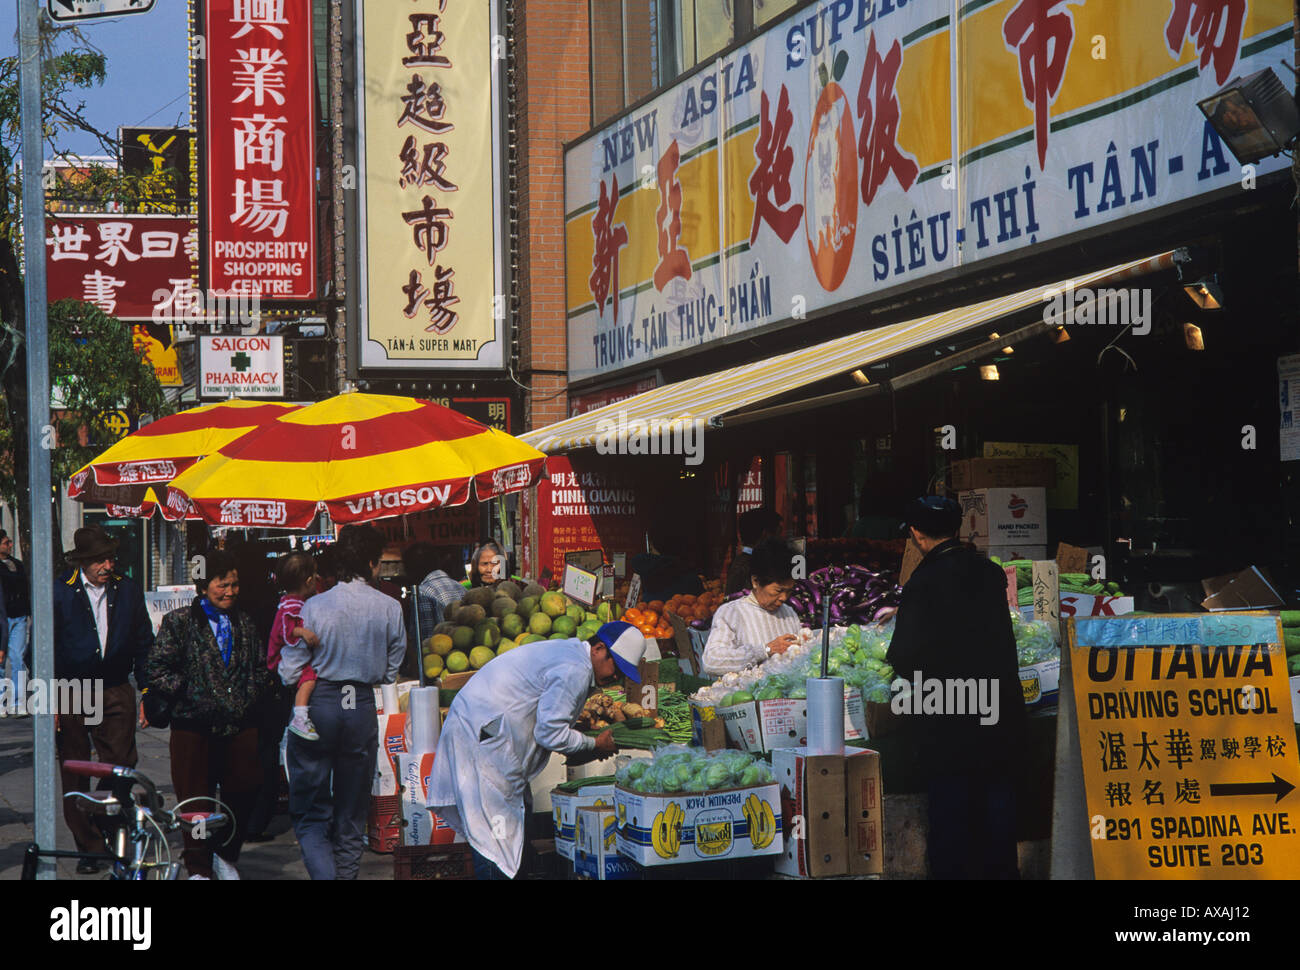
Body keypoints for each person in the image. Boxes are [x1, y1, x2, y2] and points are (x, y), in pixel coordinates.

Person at [428, 621, 646, 879]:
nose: (615, 677)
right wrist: (593, 744)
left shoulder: (572, 656)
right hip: (484, 742)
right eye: (616, 668)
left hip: (487, 736)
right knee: (495, 842)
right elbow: (549, 733)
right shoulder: (575, 669)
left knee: (513, 827)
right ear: (599, 649)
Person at [885, 495, 1027, 880]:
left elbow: (904, 656)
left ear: (916, 534)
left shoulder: (923, 582)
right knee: (997, 801)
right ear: (958, 528)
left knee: (951, 806)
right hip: (998, 707)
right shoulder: (990, 573)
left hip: (948, 713)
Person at [279, 524, 405, 881]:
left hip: (319, 704)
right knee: (352, 811)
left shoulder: (314, 606)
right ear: (370, 563)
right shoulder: (389, 607)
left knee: (309, 812)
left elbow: (289, 673)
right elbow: (391, 671)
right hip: (361, 707)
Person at [145, 548, 272, 880]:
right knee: (195, 800)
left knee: (243, 790)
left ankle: (225, 854)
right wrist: (191, 691)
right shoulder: (180, 622)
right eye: (222, 584)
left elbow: (260, 669)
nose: (230, 591)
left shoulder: (244, 622)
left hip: (239, 725)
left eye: (234, 584)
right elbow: (157, 669)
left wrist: (248, 694)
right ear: (204, 585)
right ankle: (198, 866)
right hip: (192, 727)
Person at [52, 525, 152, 875]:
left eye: (110, 557)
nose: (107, 565)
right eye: (99, 560)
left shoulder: (126, 589)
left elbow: (144, 642)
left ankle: (111, 830)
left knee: (121, 763)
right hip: (73, 688)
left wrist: (146, 691)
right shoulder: (61, 592)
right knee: (75, 767)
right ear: (83, 562)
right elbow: (45, 650)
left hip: (114, 686)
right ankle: (90, 847)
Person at [247, 552, 320, 841]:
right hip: (282, 669)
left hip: (277, 671)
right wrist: (303, 632)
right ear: (308, 579)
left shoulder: (291, 601)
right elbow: (287, 632)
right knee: (309, 677)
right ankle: (300, 716)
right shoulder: (292, 605)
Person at [702, 537, 802, 675]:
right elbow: (711, 661)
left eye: (789, 591)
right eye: (778, 591)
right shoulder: (731, 613)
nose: (784, 598)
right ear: (755, 581)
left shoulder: (789, 614)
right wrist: (765, 650)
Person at [403, 542, 467, 643]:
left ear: (412, 569)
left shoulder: (422, 593)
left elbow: (425, 639)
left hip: (441, 654)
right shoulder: (460, 586)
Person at [629, 525, 703, 603]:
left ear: (652, 546)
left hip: (646, 613)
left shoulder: (644, 570)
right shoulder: (693, 578)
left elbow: (630, 605)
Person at [724, 508, 781, 595]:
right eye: (779, 533)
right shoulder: (750, 566)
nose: (781, 539)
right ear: (765, 534)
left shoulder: (743, 562)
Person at [0, 529, 30, 686]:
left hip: (18, 615)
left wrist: (27, 611)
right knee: (1, 660)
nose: (10, 545)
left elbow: (25, 588)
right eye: (6, 543)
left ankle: (18, 700)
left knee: (17, 657)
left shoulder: (17, 564)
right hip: (2, 617)